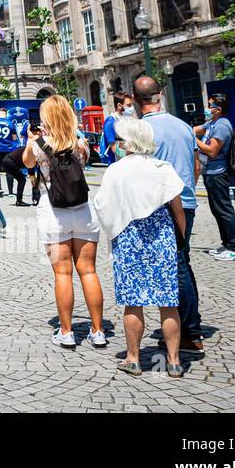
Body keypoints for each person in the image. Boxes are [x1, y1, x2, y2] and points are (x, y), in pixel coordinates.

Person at [91, 117, 185, 378]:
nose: (116, 145)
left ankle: (133, 358)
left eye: (119, 140)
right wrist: (181, 239)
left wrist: (118, 221)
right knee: (168, 303)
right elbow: (178, 210)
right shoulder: (162, 168)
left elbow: (102, 206)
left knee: (133, 303)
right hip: (161, 237)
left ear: (129, 143)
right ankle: (174, 361)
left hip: (129, 237)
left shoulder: (116, 170)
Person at [22, 95, 105, 349]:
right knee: (89, 271)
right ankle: (98, 330)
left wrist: (30, 139)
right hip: (83, 211)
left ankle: (67, 331)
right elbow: (86, 161)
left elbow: (27, 163)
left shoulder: (38, 144)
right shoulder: (79, 143)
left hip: (53, 212)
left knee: (63, 273)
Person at [135, 76, 204, 354]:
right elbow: (197, 164)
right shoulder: (184, 126)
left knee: (175, 267)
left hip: (159, 206)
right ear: (160, 95)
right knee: (182, 262)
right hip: (186, 202)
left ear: (137, 100)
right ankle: (190, 325)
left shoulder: (141, 130)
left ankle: (190, 332)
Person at [195, 93, 235, 261]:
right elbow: (196, 129)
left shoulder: (222, 125)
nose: (207, 109)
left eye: (210, 106)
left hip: (218, 174)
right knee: (217, 210)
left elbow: (212, 151)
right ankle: (226, 244)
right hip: (209, 173)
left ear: (219, 109)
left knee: (224, 210)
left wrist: (194, 141)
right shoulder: (213, 122)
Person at [0, 107, 21, 198]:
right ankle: (10, 192)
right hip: (8, 149)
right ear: (6, 114)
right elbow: (14, 138)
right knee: (9, 169)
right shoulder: (10, 124)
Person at [101, 94, 127, 166]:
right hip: (116, 163)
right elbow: (114, 147)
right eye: (128, 104)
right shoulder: (110, 121)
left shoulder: (123, 119)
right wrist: (129, 154)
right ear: (119, 105)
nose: (131, 107)